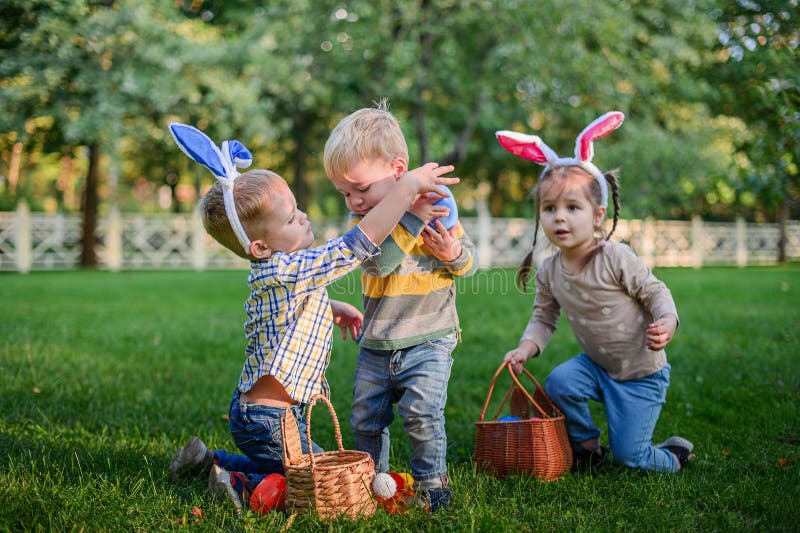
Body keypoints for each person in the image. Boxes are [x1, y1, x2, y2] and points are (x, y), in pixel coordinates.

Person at [166, 123, 459, 514]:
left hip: (266, 415)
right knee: (326, 479)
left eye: (297, 209)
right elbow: (357, 246)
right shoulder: (290, 269)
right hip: (269, 419)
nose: (303, 218)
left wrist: (331, 308)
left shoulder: (275, 272)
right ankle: (239, 484)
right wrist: (406, 189)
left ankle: (208, 462)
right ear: (260, 245)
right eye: (290, 219)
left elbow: (284, 312)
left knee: (292, 463)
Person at [496, 112, 694, 474]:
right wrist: (526, 347)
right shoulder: (550, 270)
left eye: (573, 208)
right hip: (597, 367)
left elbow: (654, 291)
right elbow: (543, 317)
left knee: (631, 457)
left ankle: (673, 456)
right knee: (559, 383)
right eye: (550, 208)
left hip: (640, 373)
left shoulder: (615, 257)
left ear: (597, 215)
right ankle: (586, 443)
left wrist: (667, 319)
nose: (560, 218)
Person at [322, 103, 479, 512]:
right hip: (377, 343)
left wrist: (452, 251)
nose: (354, 200)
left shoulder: (438, 208)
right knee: (365, 417)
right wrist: (409, 217)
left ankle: (431, 482)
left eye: (361, 188)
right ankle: (372, 480)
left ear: (398, 170)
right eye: (345, 193)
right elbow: (379, 262)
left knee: (422, 414)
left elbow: (466, 266)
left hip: (430, 340)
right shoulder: (365, 228)